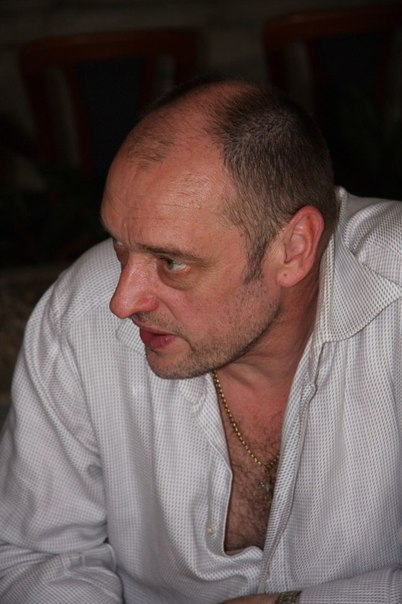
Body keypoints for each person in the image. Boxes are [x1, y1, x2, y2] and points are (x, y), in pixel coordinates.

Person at [0, 77, 401, 604]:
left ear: (294, 249)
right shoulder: (79, 316)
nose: (122, 301)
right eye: (119, 245)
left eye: (171, 262)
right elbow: (36, 555)